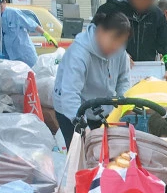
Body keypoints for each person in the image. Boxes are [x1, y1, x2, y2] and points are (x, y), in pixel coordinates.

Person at [52, 8, 132, 148]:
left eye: (121, 42)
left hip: (102, 109)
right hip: (72, 109)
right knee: (82, 154)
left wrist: (120, 110)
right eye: (113, 39)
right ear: (100, 32)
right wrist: (83, 127)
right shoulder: (79, 53)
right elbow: (70, 94)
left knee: (105, 153)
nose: (116, 46)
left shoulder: (119, 51)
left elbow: (123, 81)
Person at [97, 0, 167, 68]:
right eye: (142, 1)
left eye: (150, 2)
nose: (145, 5)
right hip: (113, 69)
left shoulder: (156, 15)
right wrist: (119, 54)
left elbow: (166, 44)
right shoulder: (110, 10)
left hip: (146, 72)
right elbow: (96, 41)